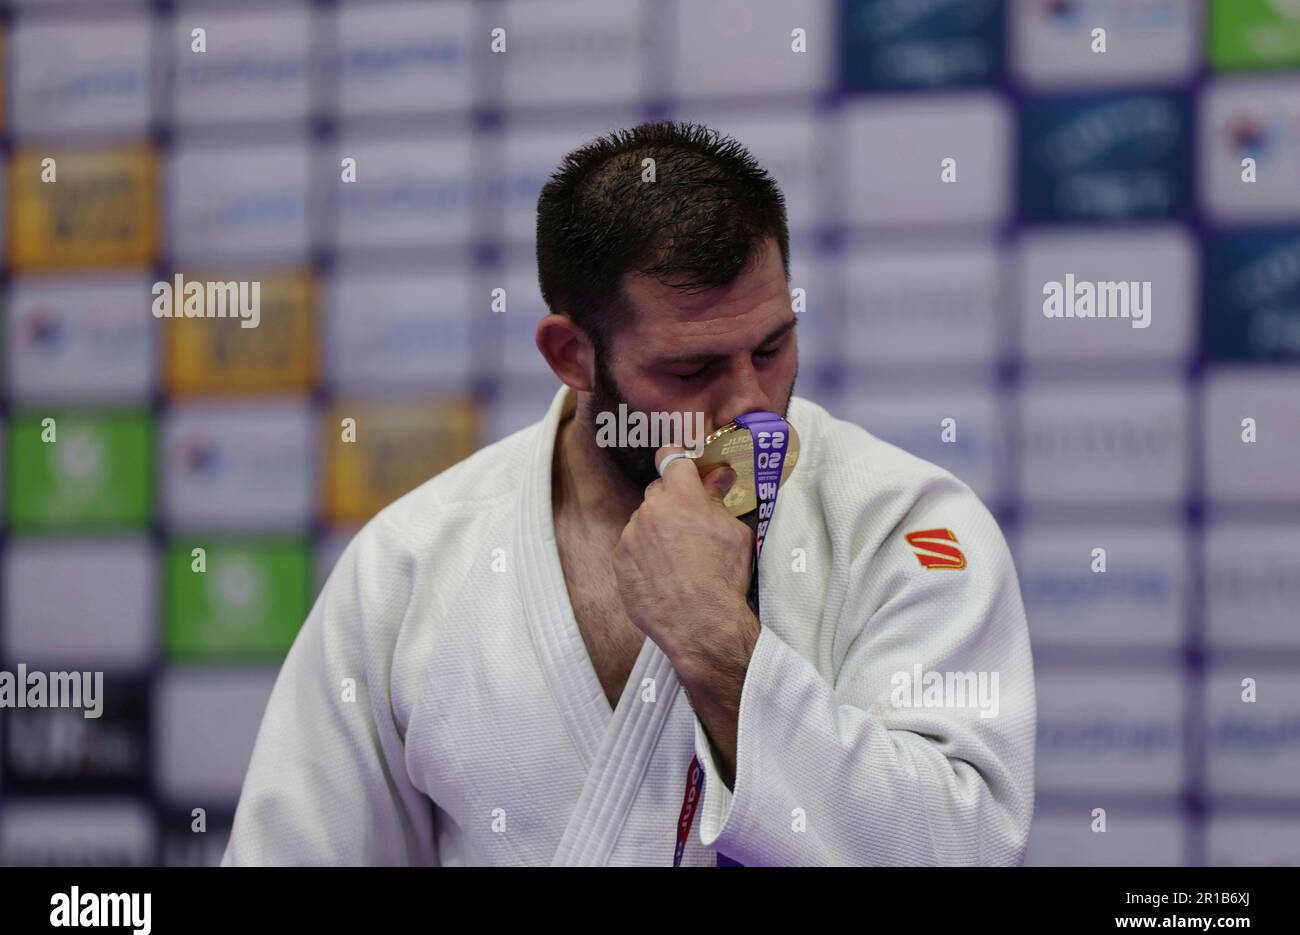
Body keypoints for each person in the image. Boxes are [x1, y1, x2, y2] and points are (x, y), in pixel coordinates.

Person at [222, 120, 1035, 866]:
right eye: (692, 370)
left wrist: (715, 640)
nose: (750, 404)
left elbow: (959, 846)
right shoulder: (413, 562)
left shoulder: (899, 525)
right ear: (573, 355)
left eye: (773, 346)